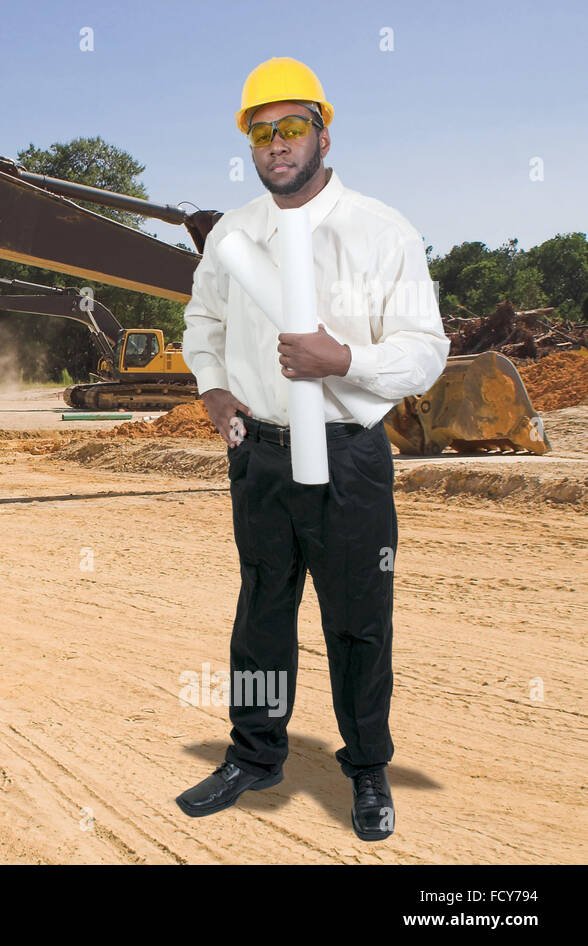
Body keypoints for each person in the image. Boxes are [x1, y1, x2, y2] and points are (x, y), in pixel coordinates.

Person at [176, 57, 450, 840]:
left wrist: (346, 362)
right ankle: (255, 753)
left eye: (291, 127)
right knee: (262, 609)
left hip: (350, 456)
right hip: (259, 452)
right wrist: (213, 390)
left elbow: (426, 348)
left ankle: (366, 769)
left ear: (324, 134)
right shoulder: (233, 237)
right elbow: (205, 328)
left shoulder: (381, 231)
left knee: (359, 619)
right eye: (261, 132)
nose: (276, 144)